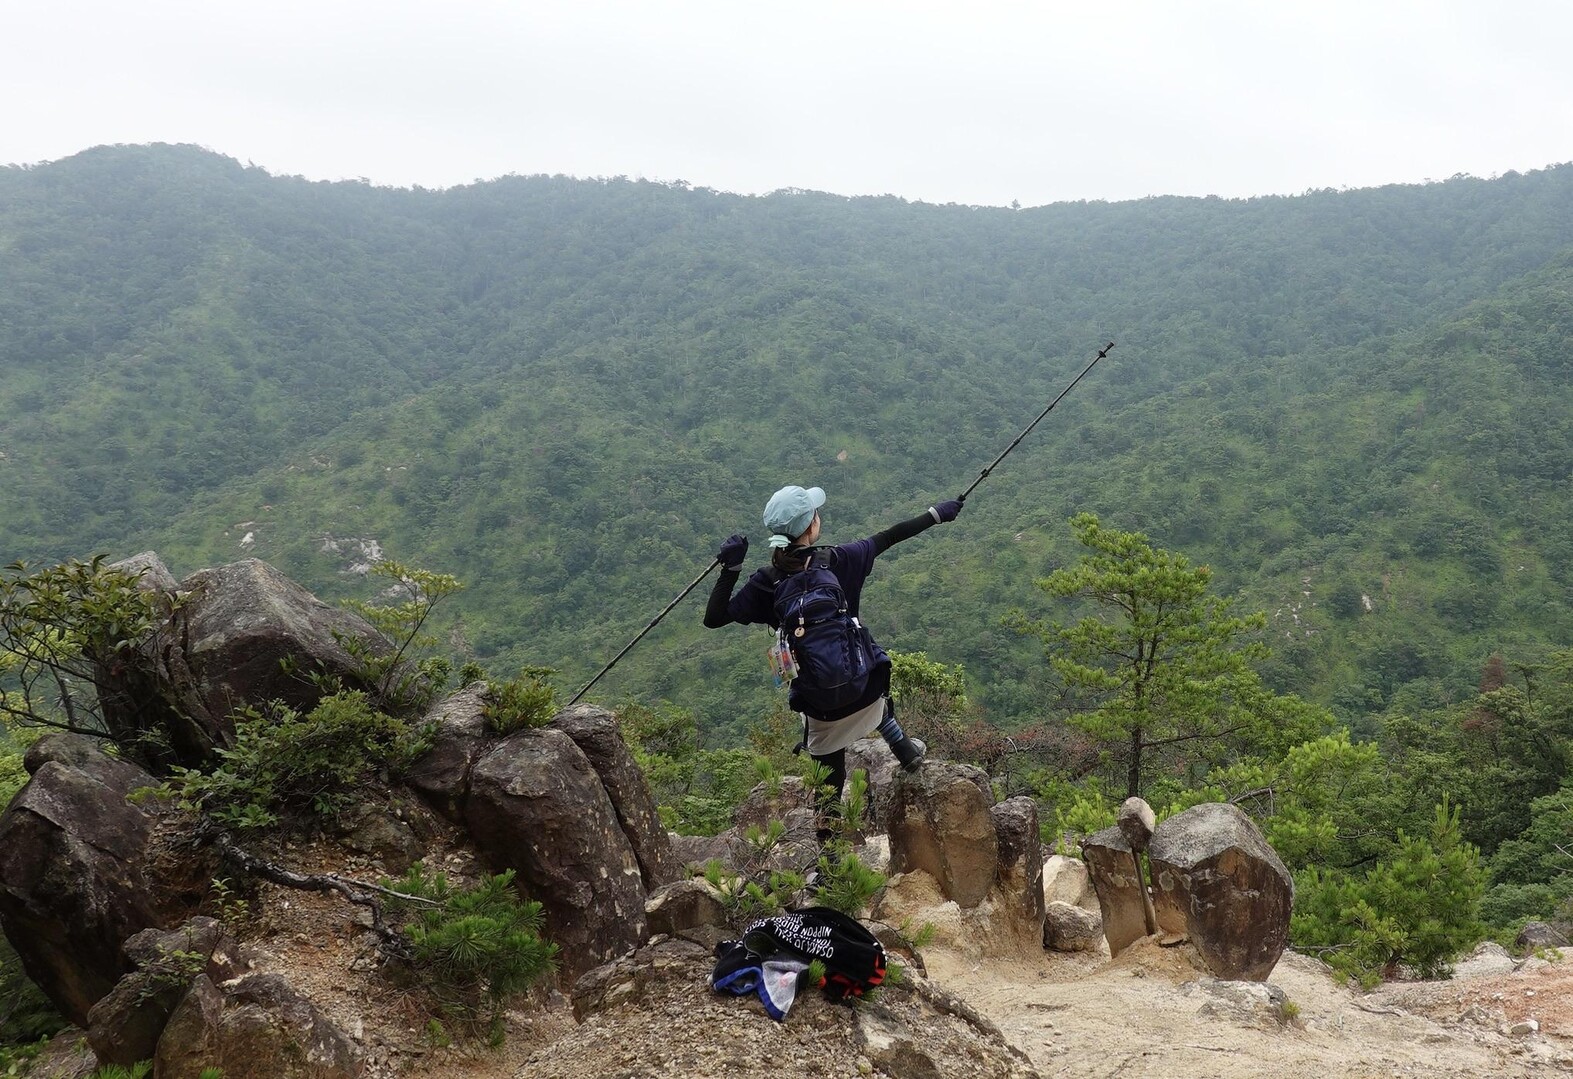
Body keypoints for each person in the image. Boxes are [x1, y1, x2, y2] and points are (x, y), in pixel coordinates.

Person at [704, 484, 963, 836]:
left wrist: (730, 567)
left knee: (829, 784)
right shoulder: (840, 560)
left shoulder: (766, 582)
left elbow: (715, 617)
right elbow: (890, 536)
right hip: (865, 691)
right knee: (869, 657)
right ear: (812, 525)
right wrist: (938, 514)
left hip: (822, 709)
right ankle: (902, 745)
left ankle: (828, 869)